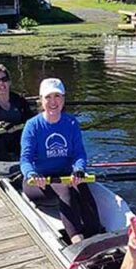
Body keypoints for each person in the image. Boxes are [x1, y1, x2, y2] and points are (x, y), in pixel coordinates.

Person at [20, 78, 102, 244]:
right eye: (48, 97)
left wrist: (79, 169)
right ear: (41, 100)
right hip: (37, 182)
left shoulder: (71, 123)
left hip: (63, 174)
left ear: (63, 99)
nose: (53, 102)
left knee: (82, 187)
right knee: (66, 189)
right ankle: (77, 240)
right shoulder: (32, 126)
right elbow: (25, 159)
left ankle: (96, 234)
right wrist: (32, 174)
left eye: (57, 96)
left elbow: (79, 153)